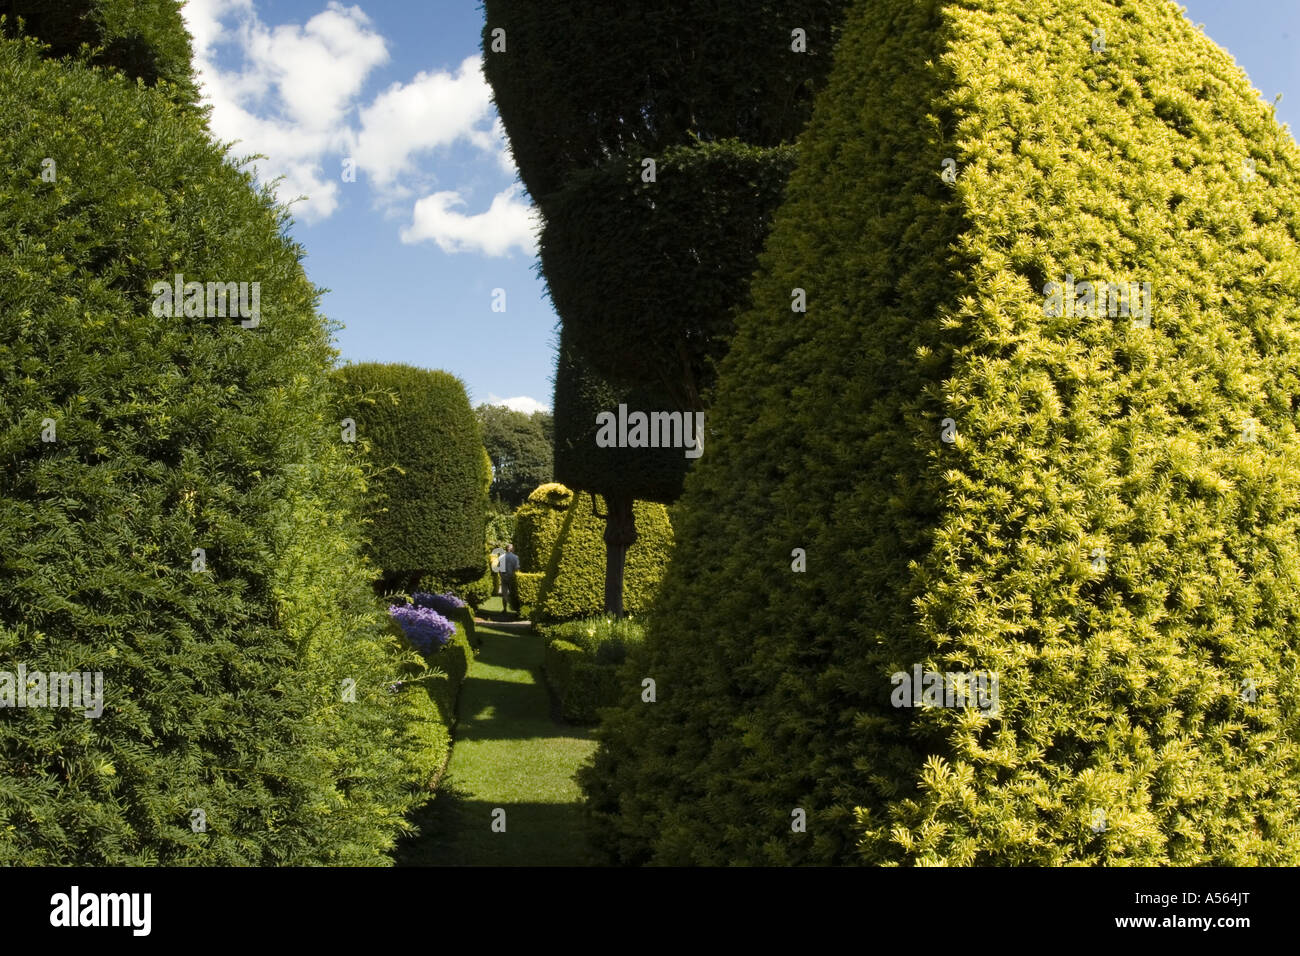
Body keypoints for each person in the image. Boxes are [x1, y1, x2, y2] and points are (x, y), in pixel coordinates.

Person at [498, 543, 520, 617]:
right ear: (512, 549)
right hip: (512, 577)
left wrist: (501, 575)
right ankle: (516, 610)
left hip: (504, 577)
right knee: (513, 594)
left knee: (504, 594)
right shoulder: (515, 557)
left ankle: (505, 609)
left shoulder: (501, 557)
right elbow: (517, 568)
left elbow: (499, 568)